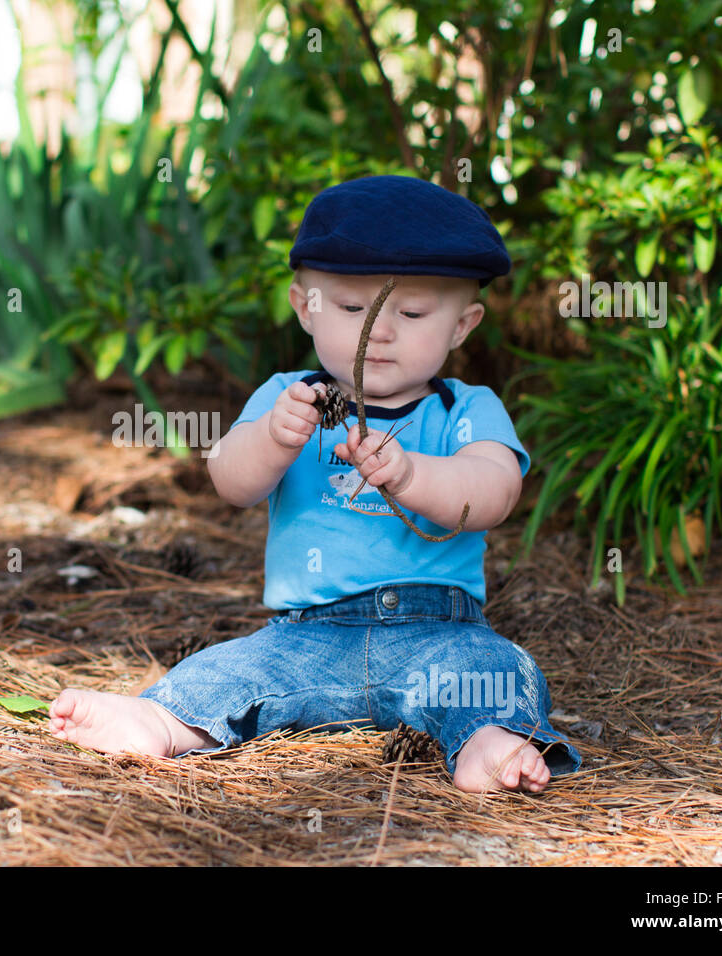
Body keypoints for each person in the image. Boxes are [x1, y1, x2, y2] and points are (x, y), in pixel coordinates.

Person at [48, 175, 583, 793]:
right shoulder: (288, 398)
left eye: (410, 313)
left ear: (462, 326)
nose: (378, 331)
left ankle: (487, 741)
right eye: (353, 309)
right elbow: (229, 481)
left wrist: (412, 473)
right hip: (304, 636)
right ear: (306, 308)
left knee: (495, 667)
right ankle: (159, 721)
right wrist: (273, 439)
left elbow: (493, 492)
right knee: (232, 669)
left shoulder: (465, 409)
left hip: (437, 634)